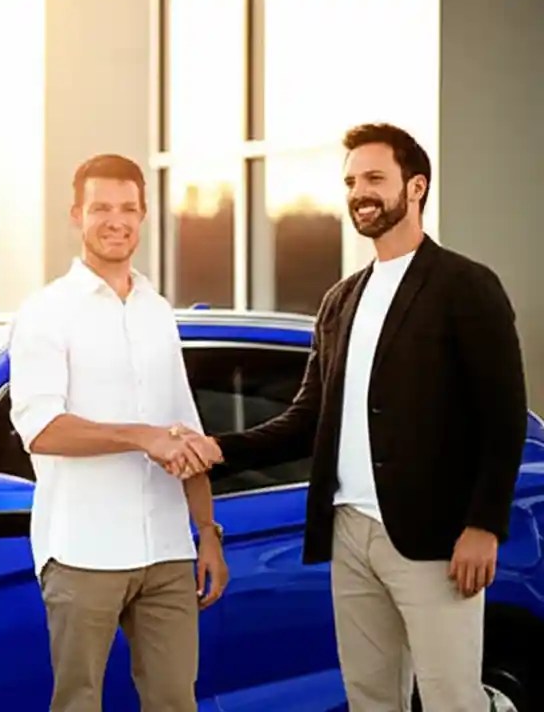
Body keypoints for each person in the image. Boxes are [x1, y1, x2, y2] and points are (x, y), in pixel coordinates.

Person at [204, 122, 527, 711]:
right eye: (351, 181)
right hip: (350, 531)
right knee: (369, 697)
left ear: (417, 186)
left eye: (375, 177)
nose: (360, 192)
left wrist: (484, 526)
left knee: (452, 698)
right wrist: (217, 451)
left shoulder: (466, 286)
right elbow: (306, 418)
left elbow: (502, 418)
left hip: (435, 537)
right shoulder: (341, 298)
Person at [8, 153, 226, 712]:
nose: (116, 220)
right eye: (101, 207)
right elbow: (41, 429)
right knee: (79, 702)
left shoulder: (157, 311)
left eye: (128, 208)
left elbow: (185, 428)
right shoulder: (45, 312)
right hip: (83, 550)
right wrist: (140, 437)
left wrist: (206, 530)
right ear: (76, 214)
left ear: (144, 215)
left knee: (177, 702)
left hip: (168, 550)